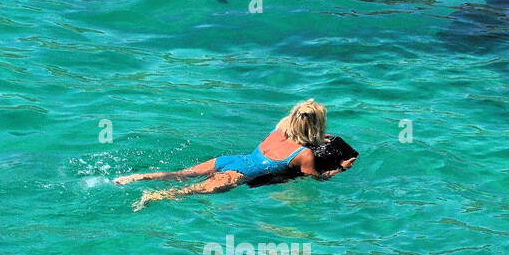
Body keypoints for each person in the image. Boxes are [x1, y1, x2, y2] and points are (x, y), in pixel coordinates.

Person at [114, 99, 357, 209]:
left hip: (231, 159)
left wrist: (313, 136)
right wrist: (343, 167)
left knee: (183, 174)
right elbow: (317, 177)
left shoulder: (281, 126)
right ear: (317, 127)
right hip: (237, 175)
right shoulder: (304, 155)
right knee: (184, 192)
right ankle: (149, 197)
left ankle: (138, 177)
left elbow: (297, 131)